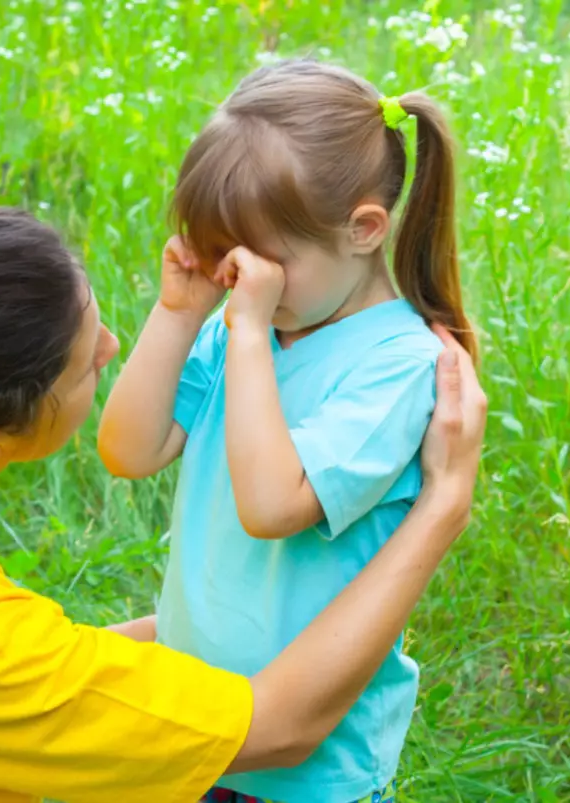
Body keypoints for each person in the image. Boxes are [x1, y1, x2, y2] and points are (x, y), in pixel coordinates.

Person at [0, 205, 486, 803]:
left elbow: (13, 673)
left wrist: (202, 624)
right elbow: (281, 726)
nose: (111, 349)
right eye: (84, 363)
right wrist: (441, 506)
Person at [97, 59, 473, 803]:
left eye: (264, 264)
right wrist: (180, 314)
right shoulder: (254, 329)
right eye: (228, 263)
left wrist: (241, 330)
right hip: (202, 724)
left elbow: (273, 506)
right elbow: (129, 450)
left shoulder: (399, 366)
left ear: (364, 230)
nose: (243, 285)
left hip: (309, 777)